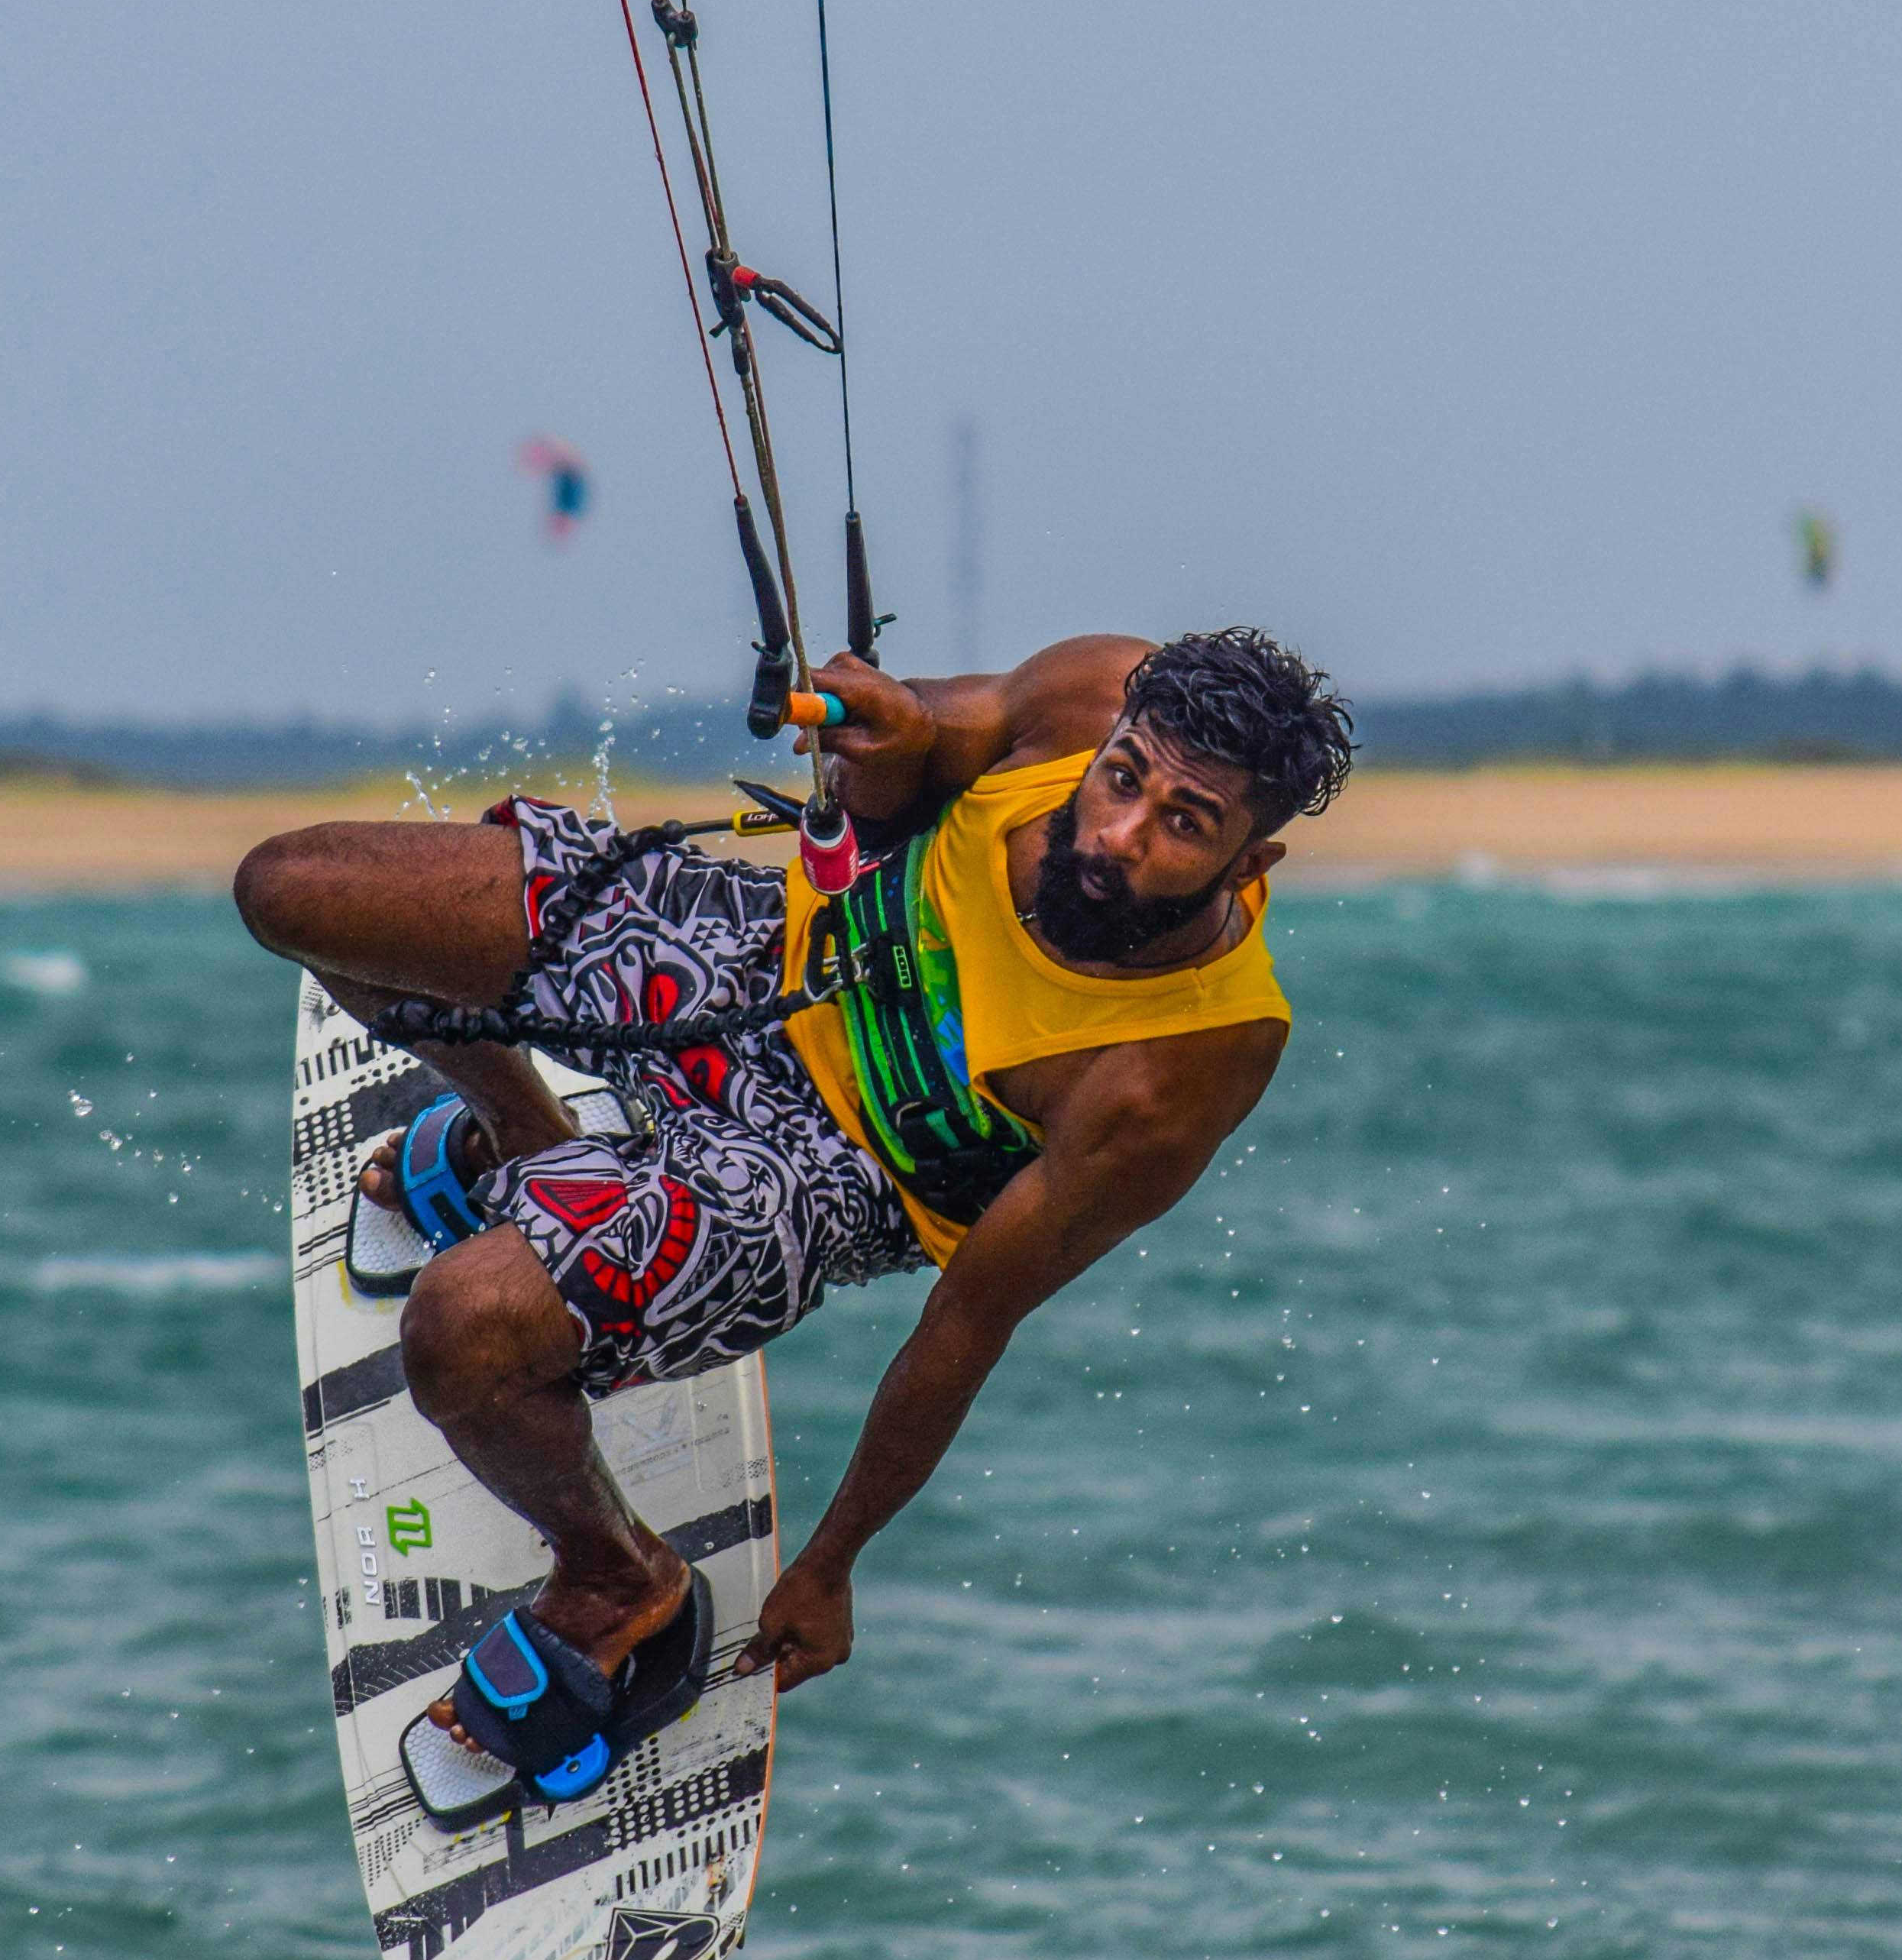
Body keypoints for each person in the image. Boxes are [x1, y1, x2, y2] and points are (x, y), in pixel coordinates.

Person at [234, 625, 1350, 1812]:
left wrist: (834, 1560)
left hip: (818, 1173)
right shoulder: (1086, 693)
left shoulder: (1183, 1066)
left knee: (463, 1331)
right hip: (752, 955)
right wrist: (889, 736)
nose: (1119, 835)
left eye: (1185, 824)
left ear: (1250, 858)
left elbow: (969, 1320)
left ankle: (618, 1581)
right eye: (1125, 778)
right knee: (297, 895)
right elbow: (905, 751)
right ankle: (530, 1142)